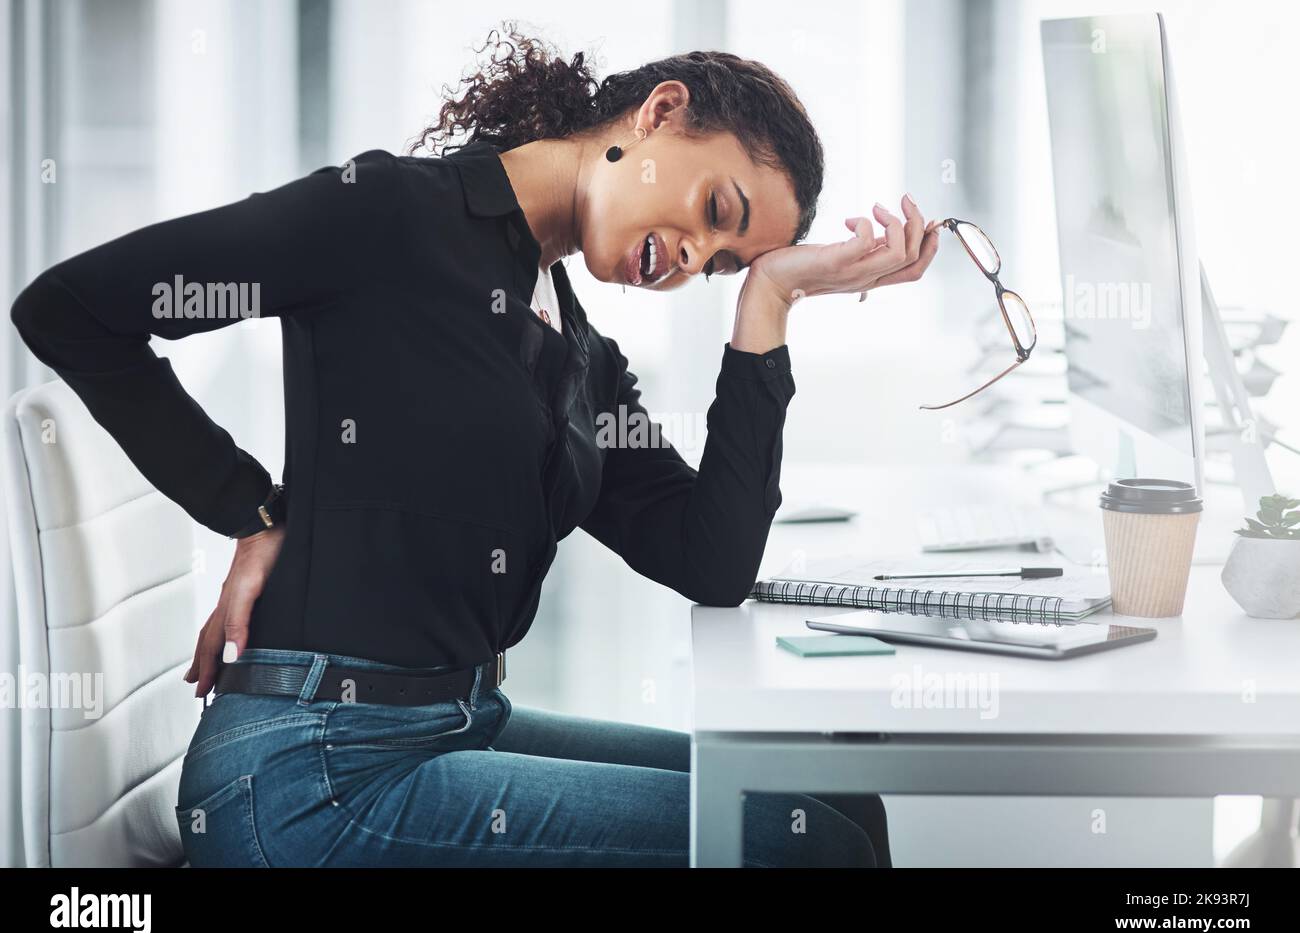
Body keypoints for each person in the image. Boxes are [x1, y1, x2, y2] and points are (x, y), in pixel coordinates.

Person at [9, 24, 937, 866]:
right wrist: (250, 511)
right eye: (717, 210)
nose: (698, 255)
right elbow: (74, 308)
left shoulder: (576, 351)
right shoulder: (389, 215)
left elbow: (713, 558)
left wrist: (768, 306)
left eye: (725, 261)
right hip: (308, 774)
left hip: (450, 728)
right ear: (660, 113)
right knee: (800, 847)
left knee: (833, 801)